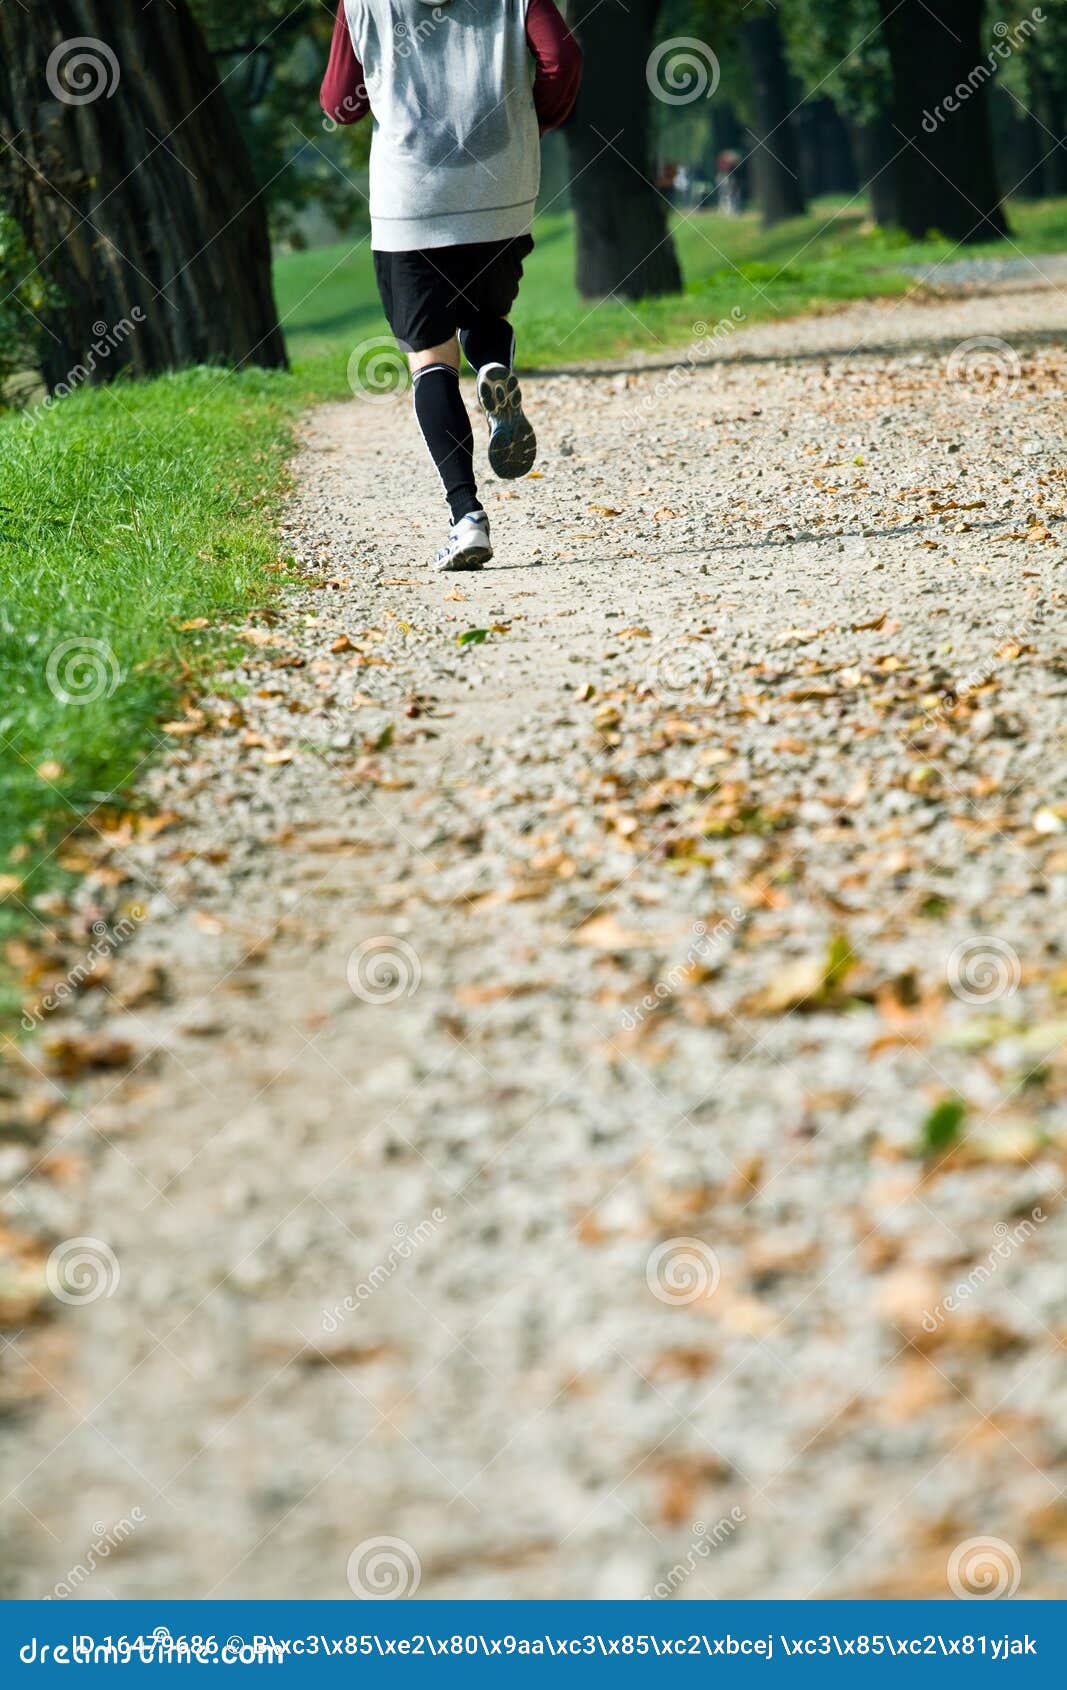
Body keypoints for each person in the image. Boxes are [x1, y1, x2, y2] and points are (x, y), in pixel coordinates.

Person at [321, 0, 583, 570]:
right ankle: (492, 363)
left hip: (411, 203)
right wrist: (531, 124)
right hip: (501, 194)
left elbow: (337, 103)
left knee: (429, 357)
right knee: (485, 312)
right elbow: (561, 58)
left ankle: (467, 518)